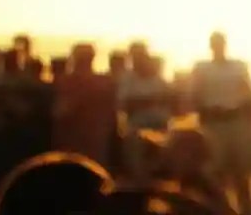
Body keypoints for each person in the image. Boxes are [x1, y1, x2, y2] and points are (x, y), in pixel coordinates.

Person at [190, 32, 251, 215]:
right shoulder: (201, 68)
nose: (218, 46)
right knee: (214, 176)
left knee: (242, 176)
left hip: (237, 122)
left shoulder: (238, 67)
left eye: (221, 43)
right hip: (213, 125)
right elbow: (194, 97)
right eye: (215, 43)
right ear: (211, 46)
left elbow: (250, 95)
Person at [53, 43, 118, 169]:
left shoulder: (68, 81)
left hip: (89, 137)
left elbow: (61, 112)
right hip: (85, 137)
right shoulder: (104, 82)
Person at [119, 42, 173, 184]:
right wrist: (151, 100)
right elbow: (125, 104)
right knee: (137, 168)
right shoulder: (127, 78)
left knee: (161, 166)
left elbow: (170, 99)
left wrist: (144, 101)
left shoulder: (158, 77)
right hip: (137, 128)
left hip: (160, 126)